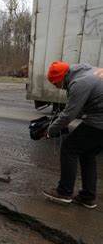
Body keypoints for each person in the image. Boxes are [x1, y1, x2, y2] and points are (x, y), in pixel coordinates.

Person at [42, 61, 103, 209]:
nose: (56, 87)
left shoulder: (80, 83)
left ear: (62, 78)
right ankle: (87, 197)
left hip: (99, 121)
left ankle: (64, 192)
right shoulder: (88, 72)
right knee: (88, 153)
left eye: (56, 83)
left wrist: (50, 130)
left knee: (69, 148)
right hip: (99, 118)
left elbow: (69, 115)